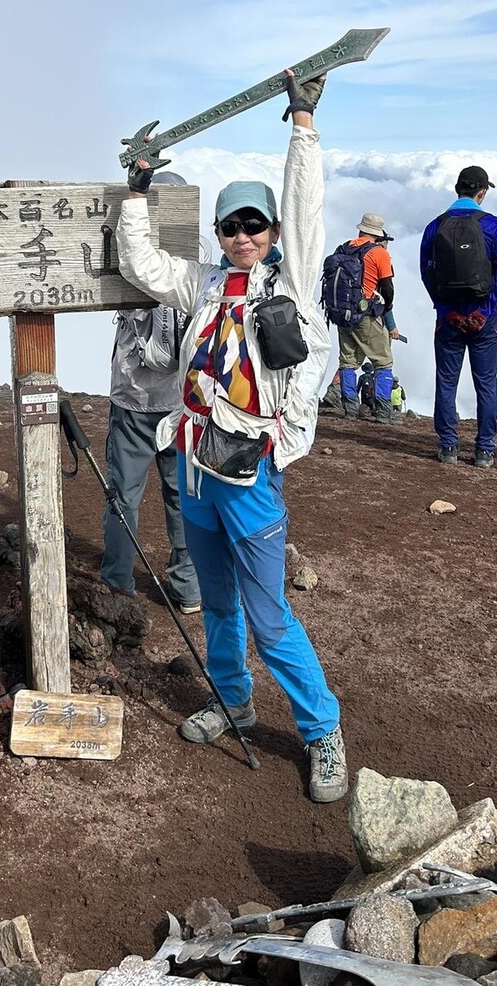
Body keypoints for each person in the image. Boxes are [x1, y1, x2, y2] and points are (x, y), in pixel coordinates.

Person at [116, 71, 347, 804]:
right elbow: (142, 265)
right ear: (219, 234)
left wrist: (302, 125)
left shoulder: (292, 286)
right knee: (217, 604)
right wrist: (135, 194)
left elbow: (310, 213)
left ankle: (322, 732)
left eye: (256, 225)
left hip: (250, 472)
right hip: (193, 465)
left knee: (269, 616)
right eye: (232, 226)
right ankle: (234, 700)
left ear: (273, 233)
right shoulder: (206, 286)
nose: (244, 236)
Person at [101, 173, 201, 614]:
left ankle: (118, 585)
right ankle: (188, 585)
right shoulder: (197, 264)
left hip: (135, 400)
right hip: (181, 403)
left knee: (124, 496)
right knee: (183, 497)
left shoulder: (133, 259)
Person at [419, 165, 497, 468]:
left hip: (448, 320)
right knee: (486, 383)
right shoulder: (493, 225)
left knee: (446, 382)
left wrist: (445, 309)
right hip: (485, 321)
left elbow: (427, 272)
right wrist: (485, 311)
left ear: (457, 189)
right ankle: (484, 450)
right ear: (482, 193)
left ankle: (448, 447)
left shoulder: (435, 226)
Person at [331, 213, 401, 423]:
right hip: (366, 313)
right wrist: (386, 309)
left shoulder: (343, 248)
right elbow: (387, 288)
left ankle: (350, 409)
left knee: (348, 362)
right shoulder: (378, 253)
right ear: (378, 234)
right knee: (383, 362)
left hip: (342, 314)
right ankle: (383, 411)